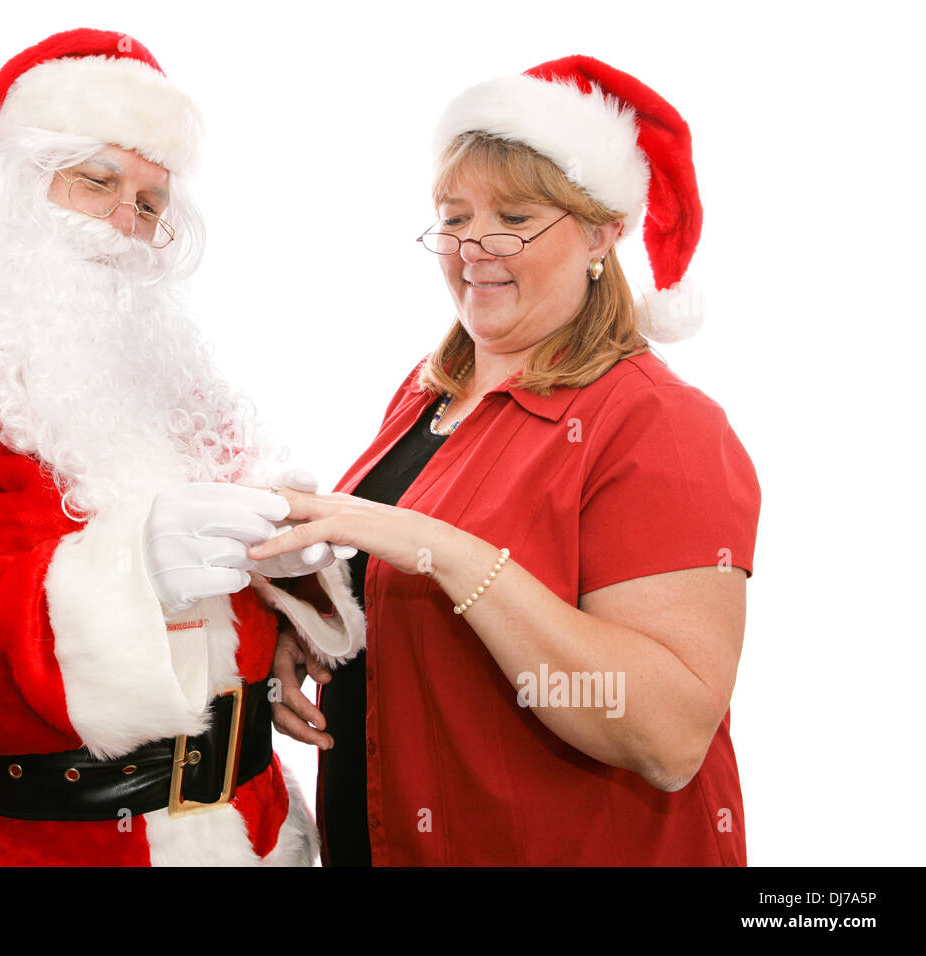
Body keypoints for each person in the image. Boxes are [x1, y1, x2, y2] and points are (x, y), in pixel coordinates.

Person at [0, 28, 361, 866]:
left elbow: (222, 608)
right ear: (10, 185)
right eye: (98, 182)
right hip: (2, 845)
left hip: (249, 831)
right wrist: (124, 578)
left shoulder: (174, 383)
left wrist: (283, 597)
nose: (128, 223)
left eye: (152, 205)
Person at [255, 56, 761, 866]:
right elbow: (406, 592)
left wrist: (448, 551)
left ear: (600, 233)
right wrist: (310, 623)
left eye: (515, 218)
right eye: (453, 217)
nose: (472, 247)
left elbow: (666, 735)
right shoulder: (429, 397)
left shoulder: (660, 424)